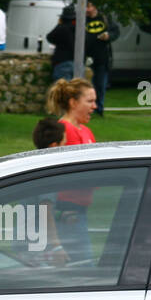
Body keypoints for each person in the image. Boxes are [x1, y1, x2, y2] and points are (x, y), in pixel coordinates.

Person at [45, 77, 97, 262]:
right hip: (68, 213)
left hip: (80, 211)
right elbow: (74, 174)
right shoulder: (65, 130)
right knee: (83, 268)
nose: (95, 106)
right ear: (73, 102)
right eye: (89, 101)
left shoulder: (85, 131)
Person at [84, 1, 119, 116]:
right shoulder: (82, 20)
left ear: (94, 7)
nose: (86, 9)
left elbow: (116, 32)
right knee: (88, 85)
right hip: (87, 58)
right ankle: (88, 109)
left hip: (102, 58)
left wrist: (108, 36)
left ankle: (99, 109)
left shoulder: (104, 18)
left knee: (100, 85)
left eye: (88, 6)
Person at [46, 5, 77, 81]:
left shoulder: (62, 27)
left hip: (63, 61)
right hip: (77, 62)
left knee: (63, 90)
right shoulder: (78, 28)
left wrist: (59, 24)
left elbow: (49, 37)